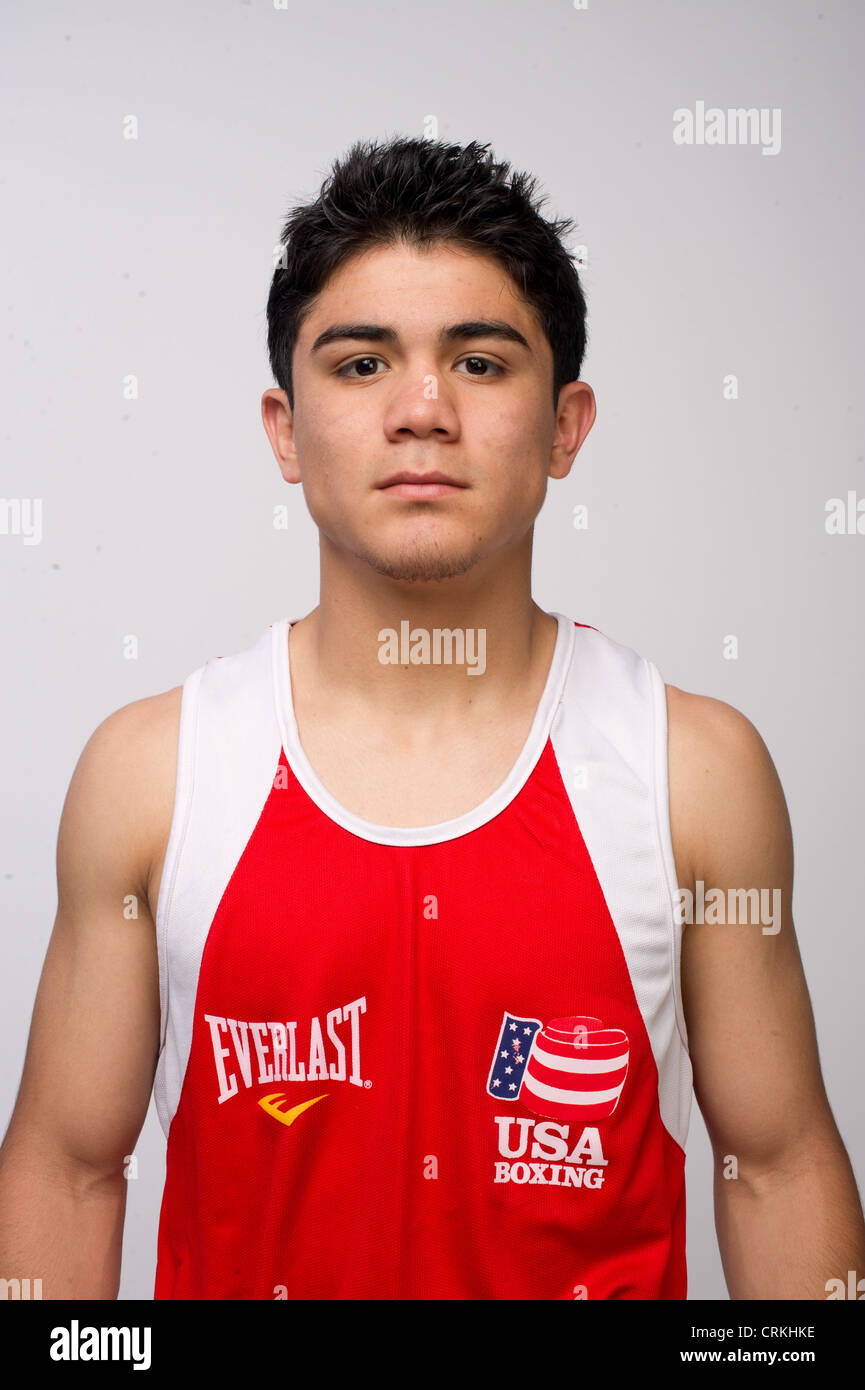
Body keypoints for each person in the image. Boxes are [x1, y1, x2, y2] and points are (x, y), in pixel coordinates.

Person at [1, 136, 862, 1301]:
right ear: (284, 428)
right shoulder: (154, 770)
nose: (421, 409)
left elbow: (773, 1165)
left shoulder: (691, 768)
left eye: (480, 362)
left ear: (566, 426)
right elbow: (66, 1168)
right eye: (361, 365)